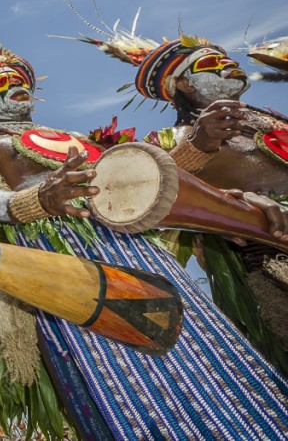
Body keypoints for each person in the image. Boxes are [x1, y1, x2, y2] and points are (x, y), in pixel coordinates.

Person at [0, 38, 288, 440]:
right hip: (59, 251)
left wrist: (226, 201)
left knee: (197, 344)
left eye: (16, 78)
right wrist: (40, 199)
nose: (14, 86)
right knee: (112, 364)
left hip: (134, 246)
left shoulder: (80, 137)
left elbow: (146, 177)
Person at [77, 22, 288, 375]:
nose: (226, 65)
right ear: (185, 85)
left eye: (225, 59)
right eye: (210, 65)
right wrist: (201, 149)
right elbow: (147, 192)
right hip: (268, 256)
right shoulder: (168, 139)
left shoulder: (274, 118)